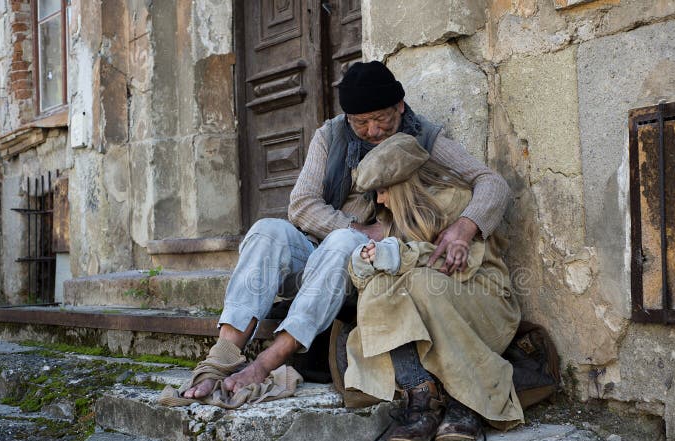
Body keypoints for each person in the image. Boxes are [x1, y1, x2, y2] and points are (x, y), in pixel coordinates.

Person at [175, 61, 512, 410]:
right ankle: (223, 355)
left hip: (372, 266)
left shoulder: (425, 137)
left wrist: (465, 225)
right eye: (360, 122)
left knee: (344, 243)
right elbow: (302, 206)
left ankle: (267, 362)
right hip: (323, 253)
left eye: (380, 118)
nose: (372, 130)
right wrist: (355, 228)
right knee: (267, 231)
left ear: (399, 105)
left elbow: (491, 183)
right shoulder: (331, 135)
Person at [345, 133, 523, 441]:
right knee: (378, 287)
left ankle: (466, 397)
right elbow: (382, 270)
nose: (381, 200)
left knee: (420, 283)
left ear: (403, 184)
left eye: (383, 191)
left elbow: (455, 267)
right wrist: (364, 263)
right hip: (435, 306)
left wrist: (399, 256)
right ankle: (420, 394)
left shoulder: (454, 201)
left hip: (485, 304)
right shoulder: (391, 216)